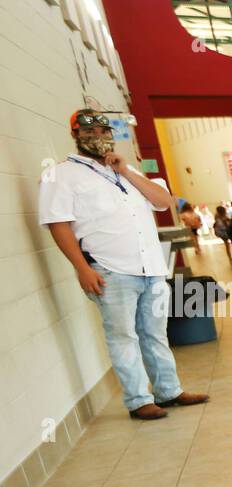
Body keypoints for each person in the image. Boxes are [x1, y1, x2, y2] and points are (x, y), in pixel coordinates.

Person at [38, 109, 208, 420]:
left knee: (155, 333)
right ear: (75, 136)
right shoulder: (61, 174)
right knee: (123, 336)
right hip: (108, 270)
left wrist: (126, 171)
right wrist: (82, 268)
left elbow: (163, 201)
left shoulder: (125, 171)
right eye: (89, 133)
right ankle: (138, 400)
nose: (98, 138)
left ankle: (168, 390)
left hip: (151, 268)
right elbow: (58, 224)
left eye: (104, 132)